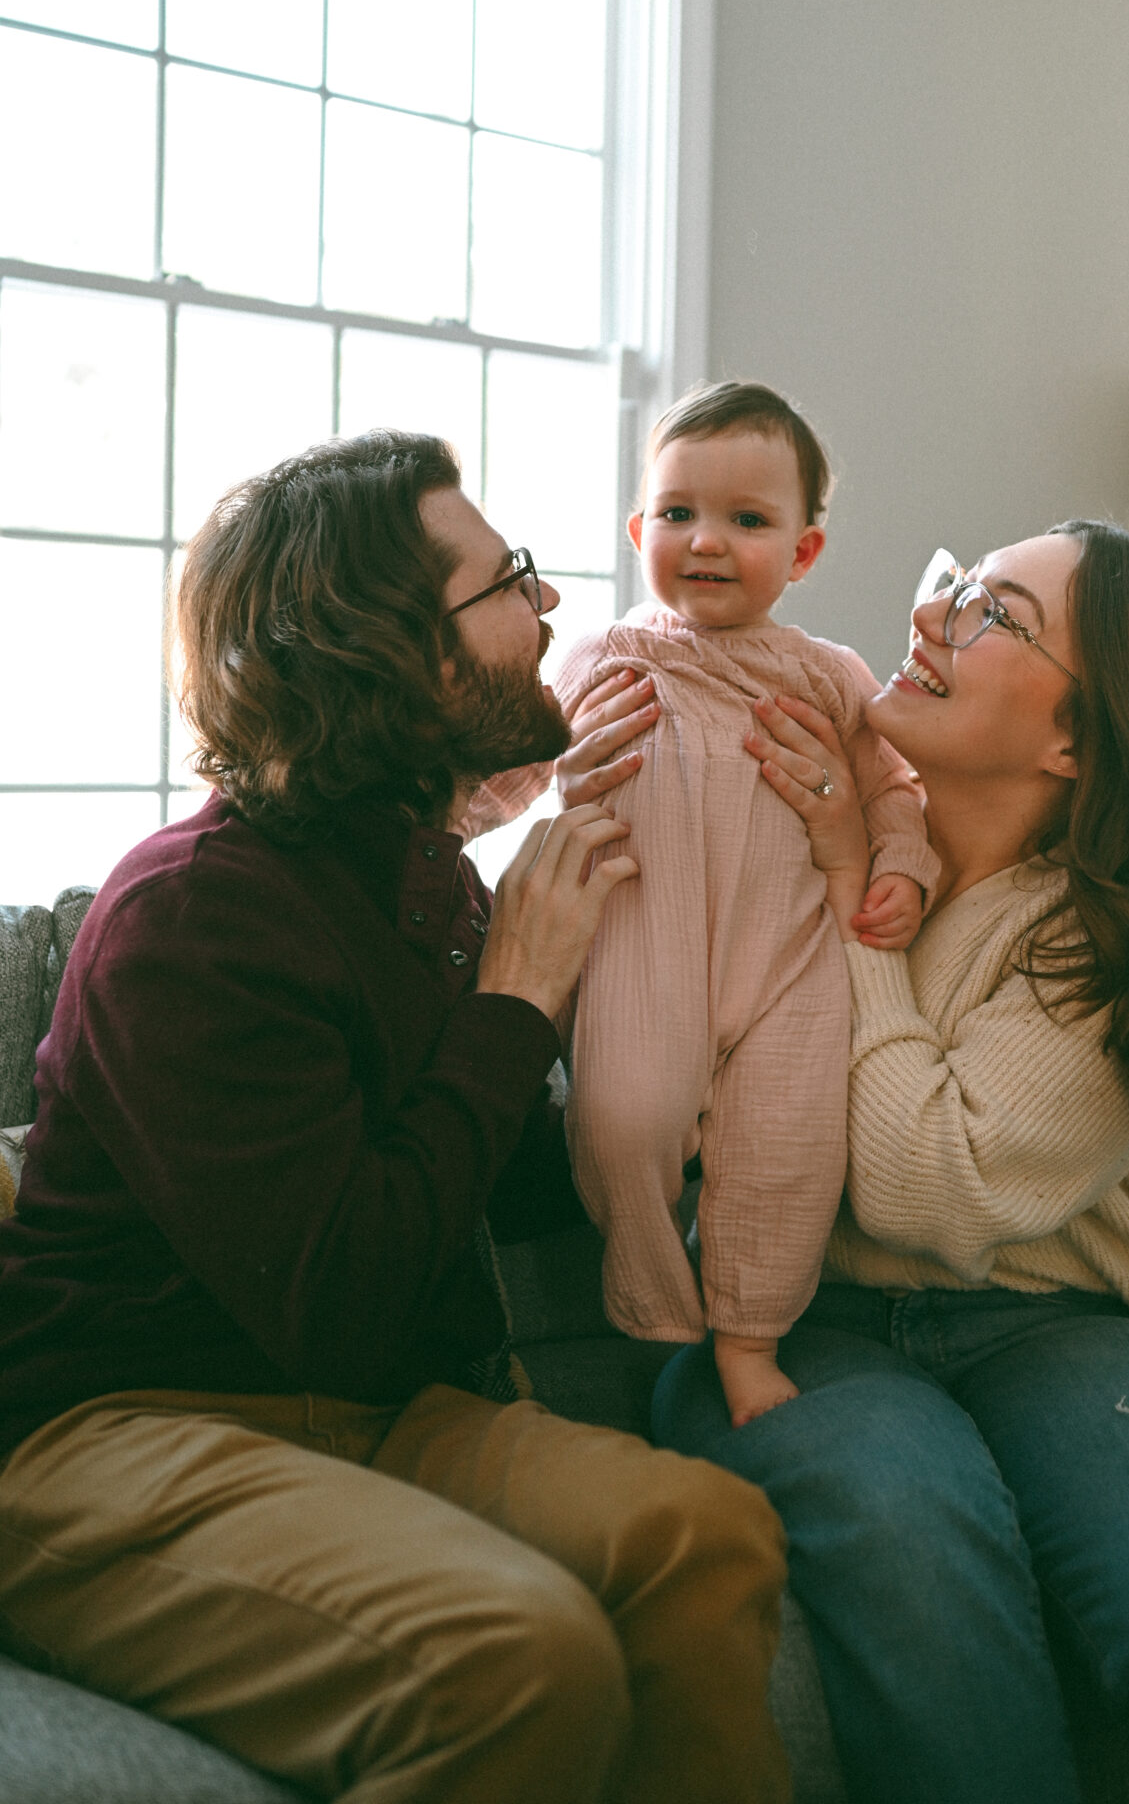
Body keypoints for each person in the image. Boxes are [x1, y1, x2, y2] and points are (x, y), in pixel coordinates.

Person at [0, 430, 791, 1804]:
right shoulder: (192, 914)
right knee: (513, 1654)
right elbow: (346, 1293)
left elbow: (484, 1177)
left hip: (374, 1412)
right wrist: (519, 996)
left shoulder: (422, 882)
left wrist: (676, 1107)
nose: (551, 605)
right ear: (397, 654)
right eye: (510, 581)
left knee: (703, 1531)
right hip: (121, 1426)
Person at [646, 521, 1129, 1804]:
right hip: (795, 1320)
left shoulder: (1113, 939)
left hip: (1067, 1324)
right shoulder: (791, 809)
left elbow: (925, 1184)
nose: (930, 615)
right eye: (955, 583)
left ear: (1075, 741)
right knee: (918, 1565)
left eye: (992, 612)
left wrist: (854, 903)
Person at [466, 383, 938, 1428]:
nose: (707, 540)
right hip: (645, 951)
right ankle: (655, 1309)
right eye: (678, 512)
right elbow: (502, 776)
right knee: (620, 1122)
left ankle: (747, 1339)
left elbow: (892, 789)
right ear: (640, 532)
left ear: (802, 553)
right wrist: (516, 793)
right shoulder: (601, 658)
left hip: (788, 961)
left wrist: (903, 867)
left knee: (789, 1150)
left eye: (747, 519)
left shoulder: (830, 677)